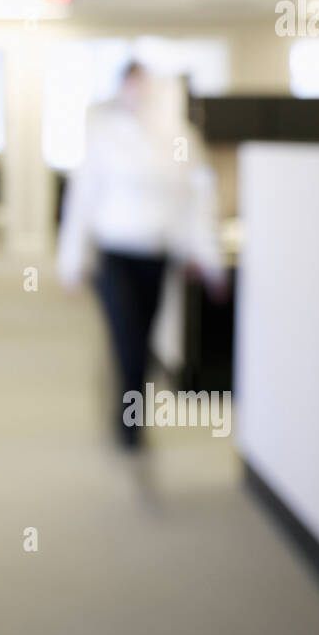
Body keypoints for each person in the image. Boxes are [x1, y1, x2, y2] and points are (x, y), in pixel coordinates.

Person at [57, 62, 225, 450]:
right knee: (127, 338)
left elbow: (196, 199)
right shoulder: (104, 135)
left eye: (142, 86)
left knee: (143, 338)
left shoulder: (178, 137)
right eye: (130, 86)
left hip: (156, 255)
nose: (137, 94)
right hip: (113, 255)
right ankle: (129, 425)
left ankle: (130, 411)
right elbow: (83, 200)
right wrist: (72, 262)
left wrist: (207, 257)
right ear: (121, 89)